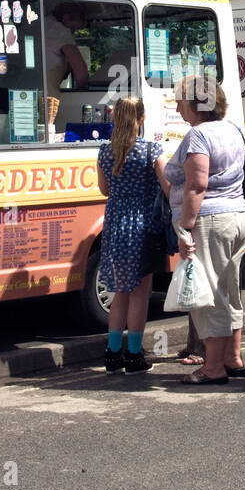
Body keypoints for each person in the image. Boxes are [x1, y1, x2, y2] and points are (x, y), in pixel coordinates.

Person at [164, 76, 245, 383]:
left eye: (181, 101)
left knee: (211, 292)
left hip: (210, 221)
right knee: (230, 288)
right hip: (238, 215)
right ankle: (233, 358)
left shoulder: (198, 135)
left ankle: (212, 367)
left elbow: (197, 184)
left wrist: (185, 229)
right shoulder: (233, 128)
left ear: (197, 104)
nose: (178, 106)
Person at [96, 97, 166, 374]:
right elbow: (168, 186)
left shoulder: (104, 151)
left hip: (115, 225)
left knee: (120, 292)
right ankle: (134, 356)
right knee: (140, 294)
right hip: (142, 226)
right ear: (142, 118)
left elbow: (104, 190)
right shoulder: (151, 151)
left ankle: (113, 354)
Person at [44, 2, 90, 91]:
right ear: (66, 18)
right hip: (45, 95)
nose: (72, 34)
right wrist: (82, 91)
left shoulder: (36, 24)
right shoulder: (61, 31)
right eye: (73, 28)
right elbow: (81, 71)